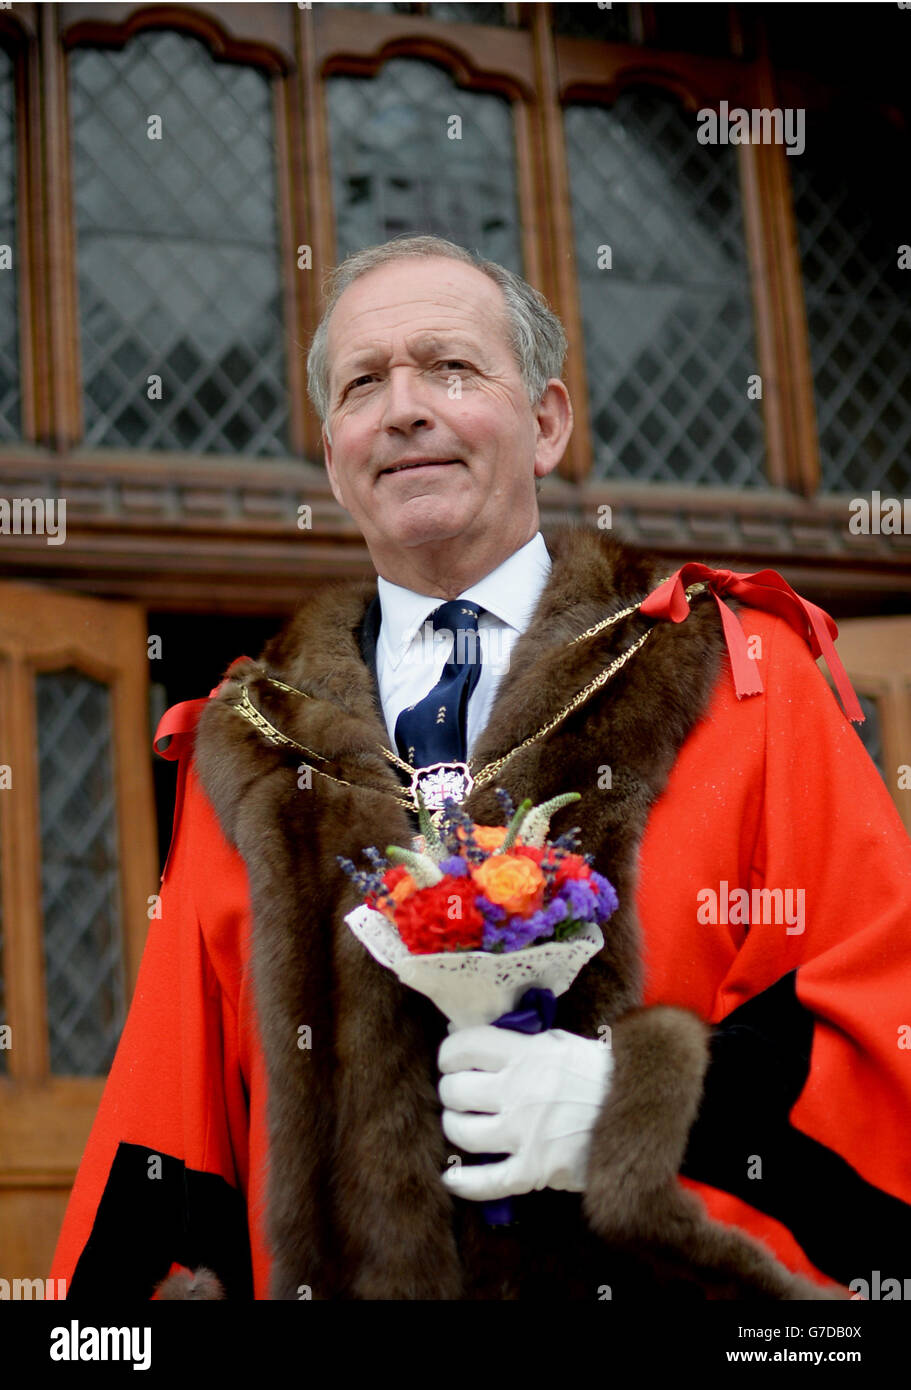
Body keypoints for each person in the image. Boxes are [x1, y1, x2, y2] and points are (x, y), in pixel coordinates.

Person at [51, 235, 911, 1301]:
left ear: (546, 423)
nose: (404, 406)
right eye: (364, 384)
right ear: (334, 457)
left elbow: (881, 1020)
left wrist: (635, 1107)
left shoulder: (739, 673)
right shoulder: (253, 742)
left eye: (449, 367)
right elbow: (173, 1119)